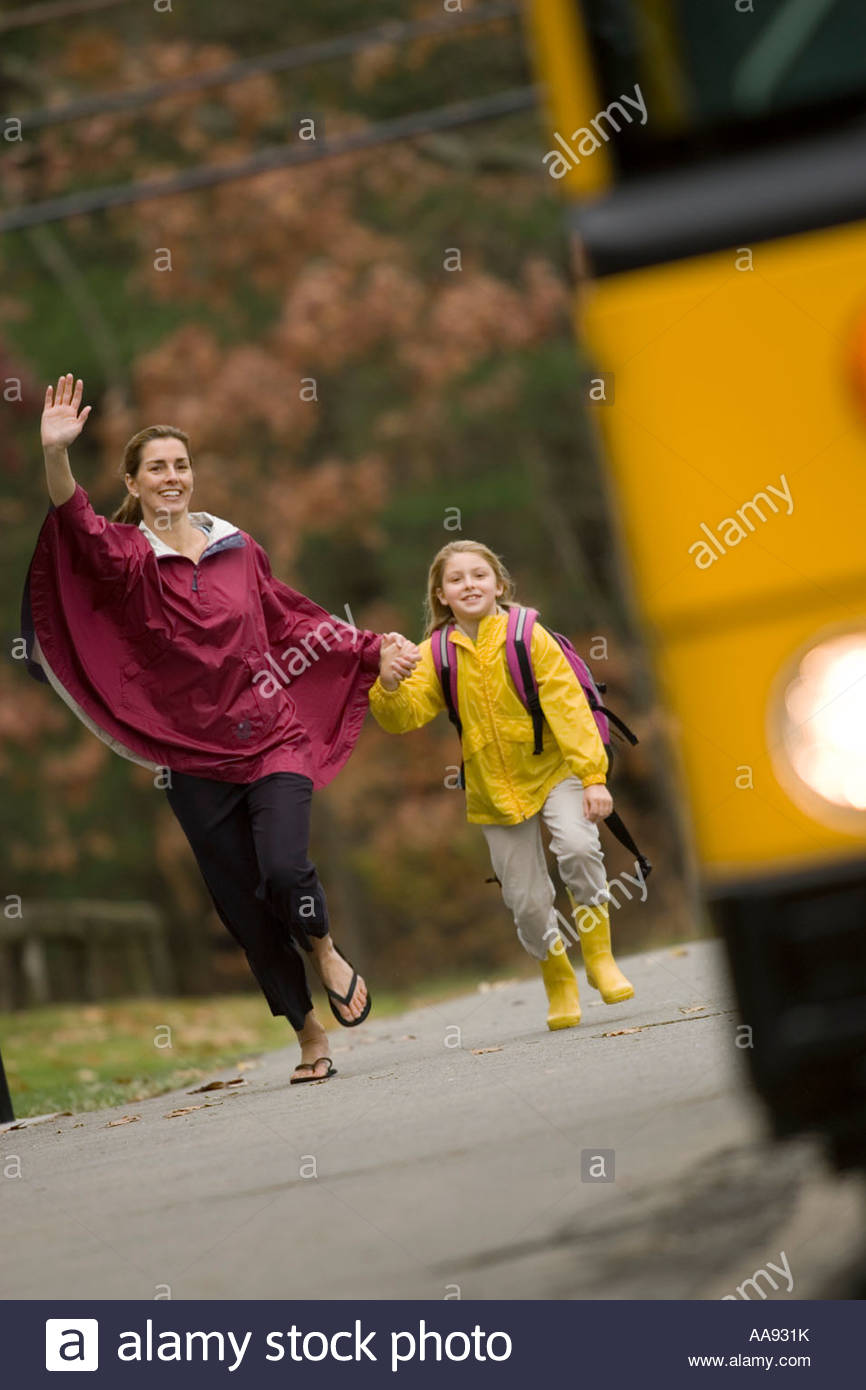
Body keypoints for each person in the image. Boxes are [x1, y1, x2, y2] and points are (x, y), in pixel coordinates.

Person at [23, 373, 420, 1085]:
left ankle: (324, 946)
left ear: (191, 474)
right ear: (135, 483)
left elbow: (291, 617)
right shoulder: (127, 558)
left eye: (180, 465)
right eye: (157, 469)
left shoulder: (238, 547)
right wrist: (57, 455)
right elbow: (75, 523)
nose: (172, 477)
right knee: (242, 905)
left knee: (283, 867)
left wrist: (372, 645)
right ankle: (307, 1033)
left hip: (272, 735)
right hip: (192, 761)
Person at [369, 539, 634, 1031]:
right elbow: (404, 716)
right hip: (492, 788)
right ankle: (558, 979)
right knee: (527, 900)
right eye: (456, 579)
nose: (468, 584)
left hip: (558, 769)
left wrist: (593, 778)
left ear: (498, 585)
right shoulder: (437, 654)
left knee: (578, 847)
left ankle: (600, 959)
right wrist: (385, 684)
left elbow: (570, 709)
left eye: (478, 575)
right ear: (441, 594)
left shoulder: (526, 636)